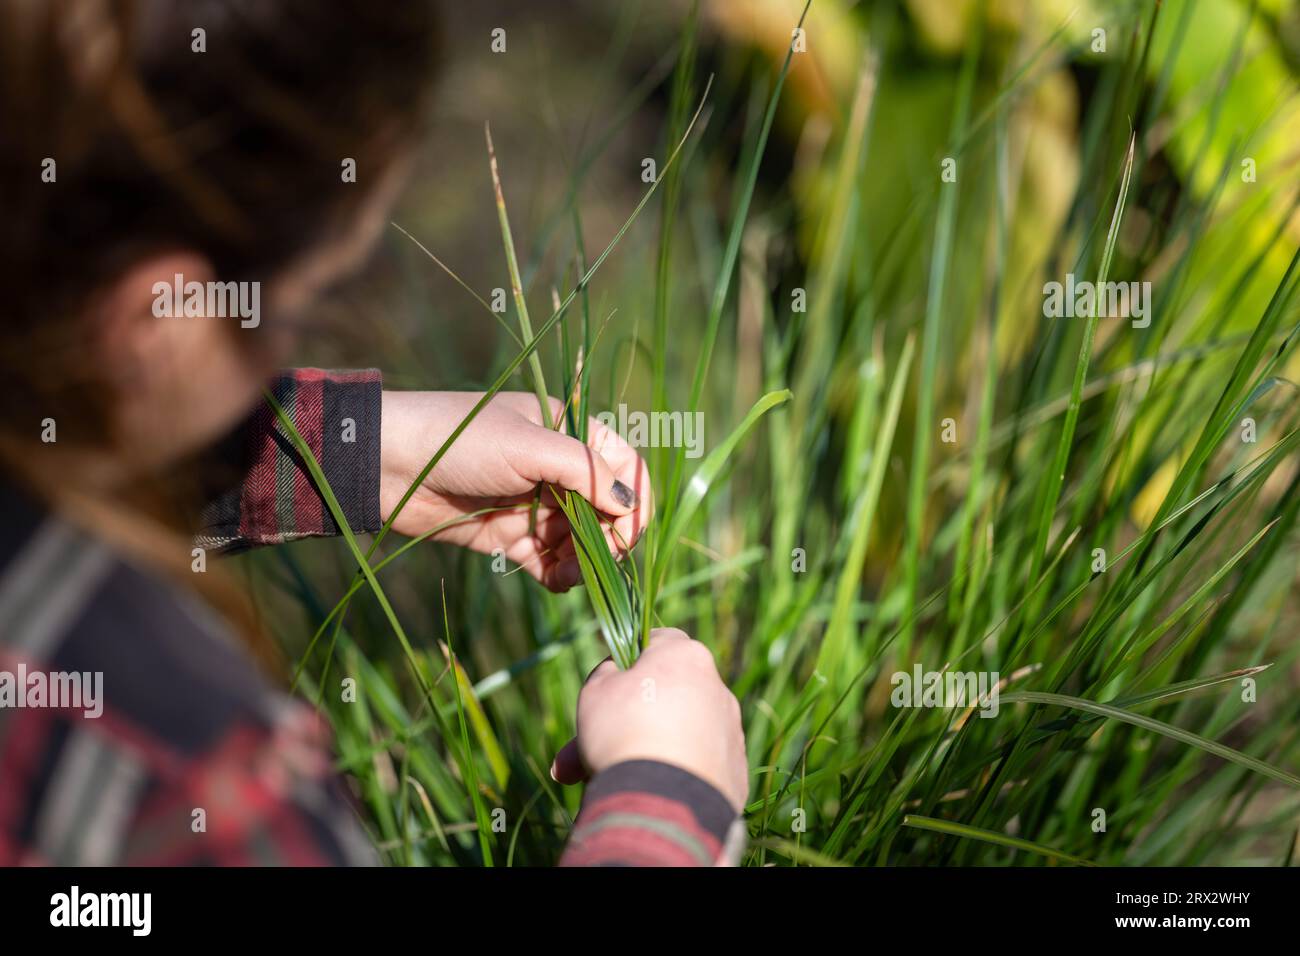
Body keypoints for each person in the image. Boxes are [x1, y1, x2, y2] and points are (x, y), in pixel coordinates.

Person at [0, 0, 747, 866]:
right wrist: (667, 802)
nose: (299, 341)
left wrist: (363, 456)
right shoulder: (190, 780)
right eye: (305, 304)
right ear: (157, 319)